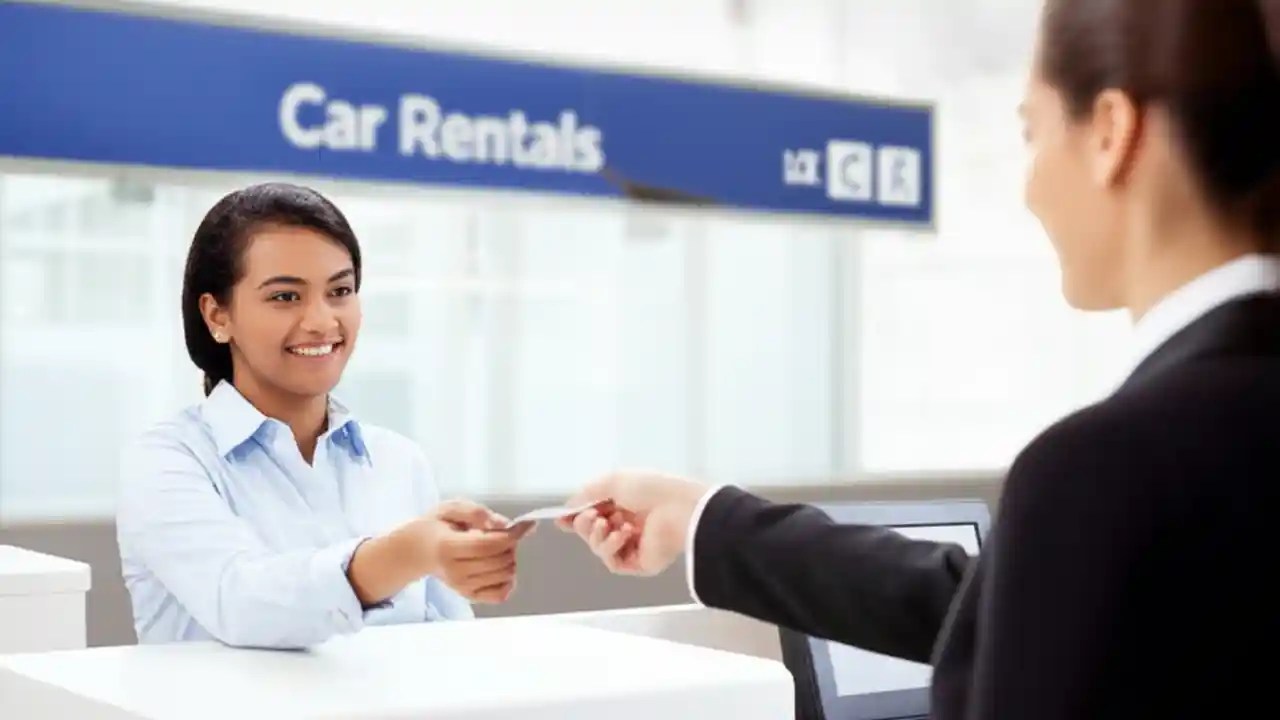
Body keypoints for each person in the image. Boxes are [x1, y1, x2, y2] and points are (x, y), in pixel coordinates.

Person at [560, 0, 1280, 717]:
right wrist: (708, 525)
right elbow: (1015, 608)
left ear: (1111, 134)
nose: (1029, 189)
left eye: (1032, 132)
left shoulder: (1104, 472)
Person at [117, 182, 530, 649]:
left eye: (340, 290)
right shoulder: (168, 460)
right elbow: (242, 605)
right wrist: (404, 554)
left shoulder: (398, 461)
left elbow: (452, 646)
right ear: (217, 315)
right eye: (285, 297)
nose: (321, 320)